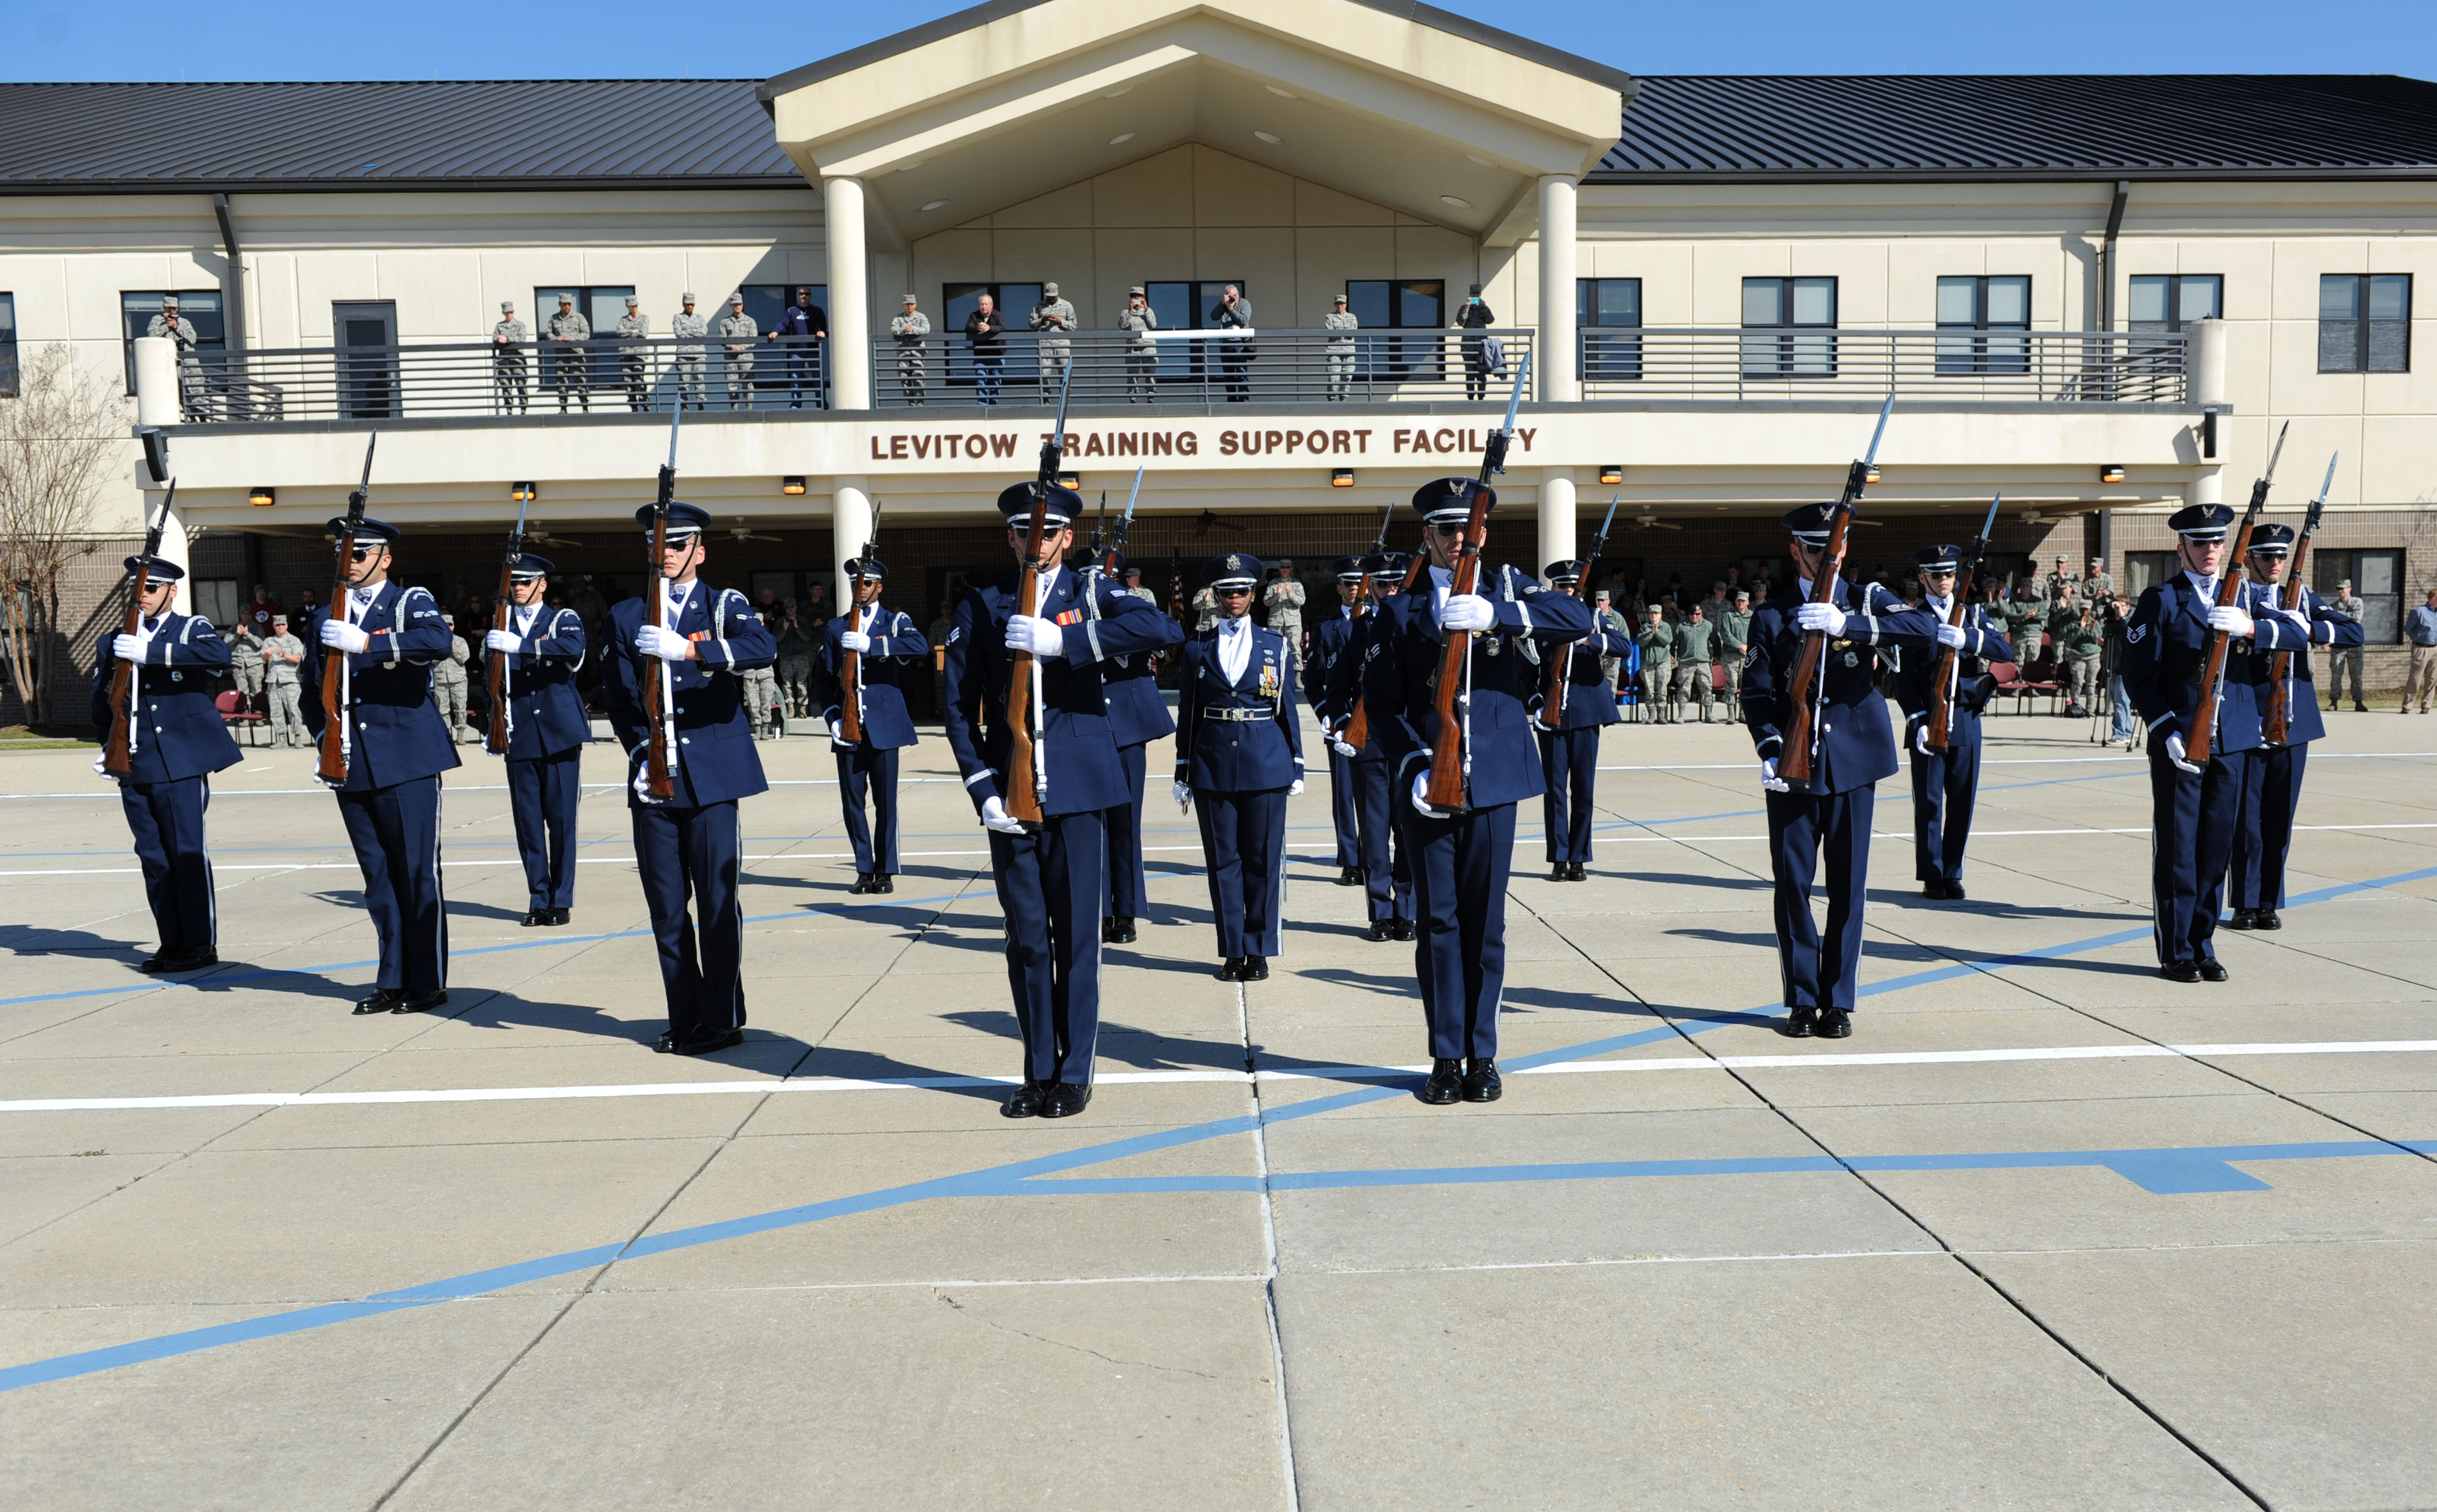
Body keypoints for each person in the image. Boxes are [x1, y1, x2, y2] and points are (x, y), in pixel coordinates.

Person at [940, 481, 1183, 1119]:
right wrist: (980, 787)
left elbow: (1161, 626)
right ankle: (1036, 1071)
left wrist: (1067, 643)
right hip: (1010, 796)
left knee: (1076, 941)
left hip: (1077, 793)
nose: (1035, 542)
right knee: (1026, 942)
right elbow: (958, 708)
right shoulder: (984, 605)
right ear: (1011, 537)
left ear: (1067, 538)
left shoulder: (1091, 593)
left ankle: (1073, 1074)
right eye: (1024, 532)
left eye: (1047, 533)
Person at [1364, 479, 1593, 1103]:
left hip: (1492, 781)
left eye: (1467, 530)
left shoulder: (1510, 588)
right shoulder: (1399, 609)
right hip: (1426, 786)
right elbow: (1382, 707)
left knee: (1484, 927)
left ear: (1483, 533)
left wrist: (1501, 614)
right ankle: (1444, 1054)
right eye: (1445, 530)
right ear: (1427, 537)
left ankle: (1483, 1053)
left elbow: (1577, 619)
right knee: (1437, 922)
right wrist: (1413, 763)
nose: (1457, 540)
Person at [1745, 503, 1935, 1037]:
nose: (1823, 555)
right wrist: (1769, 746)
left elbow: (1922, 629)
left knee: (1849, 887)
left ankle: (1838, 1000)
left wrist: (1847, 623)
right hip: (1793, 763)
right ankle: (1802, 999)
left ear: (1845, 548)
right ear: (1795, 550)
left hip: (1854, 761)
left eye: (1832, 546)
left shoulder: (1867, 599)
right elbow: (1756, 693)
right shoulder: (1770, 615)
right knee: (1792, 884)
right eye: (1812, 547)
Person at [605, 502, 777, 1055]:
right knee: (667, 907)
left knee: (718, 903)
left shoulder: (723, 603)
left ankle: (723, 1019)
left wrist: (691, 649)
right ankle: (684, 1017)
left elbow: (760, 648)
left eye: (677, 545)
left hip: (712, 778)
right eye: (658, 545)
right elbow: (619, 696)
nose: (666, 553)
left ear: (698, 552)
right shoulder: (627, 614)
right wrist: (640, 752)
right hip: (654, 777)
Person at [302, 517, 459, 1015]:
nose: (348, 561)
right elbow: (312, 685)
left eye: (359, 553)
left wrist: (369, 643)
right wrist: (325, 736)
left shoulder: (409, 601)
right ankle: (391, 977)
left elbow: (437, 641)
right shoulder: (326, 613)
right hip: (352, 761)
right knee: (378, 877)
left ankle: (427, 979)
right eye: (343, 553)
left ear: (384, 559)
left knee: (416, 873)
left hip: (407, 758)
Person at [2123, 503, 2261, 984]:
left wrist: (2249, 627)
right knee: (2179, 848)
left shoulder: (2243, 594)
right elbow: (2137, 676)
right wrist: (2165, 730)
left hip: (2232, 743)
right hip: (2181, 742)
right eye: (2200, 543)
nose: (2210, 551)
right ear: (2179, 547)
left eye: (2217, 542)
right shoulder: (2160, 599)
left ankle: (2203, 944)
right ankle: (2176, 948)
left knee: (2216, 850)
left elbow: (2292, 633)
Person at [88, 553, 242, 972]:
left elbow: (217, 657)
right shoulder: (114, 639)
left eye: (151, 588)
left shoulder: (191, 628)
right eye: (136, 588)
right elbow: (104, 700)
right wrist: (107, 746)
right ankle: (171, 941)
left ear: (171, 591)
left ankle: (199, 943)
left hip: (180, 761)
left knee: (185, 851)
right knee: (154, 855)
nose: (142, 596)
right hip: (135, 761)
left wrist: (150, 651)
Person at [2228, 524, 2365, 932]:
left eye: (2281, 557)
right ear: (2249, 559)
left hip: (2291, 721)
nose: (2275, 564)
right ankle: (2244, 903)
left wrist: (2306, 628)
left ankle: (2268, 901)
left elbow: (2353, 632)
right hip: (2247, 720)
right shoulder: (2235, 595)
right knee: (2245, 820)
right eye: (2266, 557)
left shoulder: (2302, 597)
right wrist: (2275, 624)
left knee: (2278, 819)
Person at [1175, 551, 1304, 980]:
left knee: (1262, 859)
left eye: (1242, 591)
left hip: (1265, 760)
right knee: (1222, 861)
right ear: (1215, 595)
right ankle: (1233, 949)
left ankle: (1260, 947)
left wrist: (1297, 764)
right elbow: (1189, 713)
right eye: (1226, 591)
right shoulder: (1197, 648)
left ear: (1253, 595)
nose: (1234, 598)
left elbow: (1285, 708)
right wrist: (1182, 769)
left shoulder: (1276, 644)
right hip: (1212, 761)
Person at [1889, 544, 2013, 901]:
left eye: (1948, 574)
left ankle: (1952, 871)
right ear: (1922, 578)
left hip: (1966, 720)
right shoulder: (1911, 618)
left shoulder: (1972, 615)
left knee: (1962, 802)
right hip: (1930, 721)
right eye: (1936, 574)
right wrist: (1917, 722)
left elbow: (2003, 652)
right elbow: (1902, 681)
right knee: (1929, 803)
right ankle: (1931, 874)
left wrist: (1969, 640)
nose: (1944, 581)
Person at [475, 554, 589, 928]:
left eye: (525, 583)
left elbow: (572, 649)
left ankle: (562, 900)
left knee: (561, 822)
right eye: (514, 583)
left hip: (558, 733)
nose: (518, 589)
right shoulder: (501, 624)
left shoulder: (561, 619)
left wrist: (521, 646)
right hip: (519, 734)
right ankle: (538, 899)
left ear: (542, 585)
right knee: (528, 824)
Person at [814, 556, 926, 895]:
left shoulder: (893, 622)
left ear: (879, 587)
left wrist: (874, 646)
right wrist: (832, 716)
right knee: (852, 802)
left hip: (884, 725)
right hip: (849, 726)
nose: (859, 589)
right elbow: (822, 678)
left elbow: (919, 646)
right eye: (854, 584)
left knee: (886, 801)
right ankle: (864, 869)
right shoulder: (837, 627)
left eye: (865, 583)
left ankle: (886, 870)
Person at [1327, 552, 1417, 941]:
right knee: (1375, 833)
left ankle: (1407, 910)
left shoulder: (1418, 624)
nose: (1390, 591)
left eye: (1397, 584)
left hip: (1410, 744)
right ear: (1372, 588)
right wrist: (1346, 725)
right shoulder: (1354, 630)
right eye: (1383, 585)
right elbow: (1335, 689)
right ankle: (1380, 912)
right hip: (1371, 744)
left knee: (1409, 832)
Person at [1088, 549, 1173, 944]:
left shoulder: (1135, 611)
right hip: (1083, 728)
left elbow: (1169, 633)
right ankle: (1096, 908)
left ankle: (1125, 912)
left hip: (1126, 730)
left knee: (1125, 825)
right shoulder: (1069, 612)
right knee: (1090, 827)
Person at [1534, 559, 1632, 881]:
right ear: (1552, 589)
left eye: (1573, 587)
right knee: (1555, 791)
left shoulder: (1593, 618)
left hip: (1587, 714)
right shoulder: (1542, 620)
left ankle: (1578, 858)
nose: (1567, 592)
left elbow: (1624, 647)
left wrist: (1590, 639)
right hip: (1553, 715)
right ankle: (1558, 859)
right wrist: (1536, 704)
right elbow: (1524, 669)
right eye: (1562, 586)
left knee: (1584, 790)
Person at [1307, 555, 1371, 885]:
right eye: (1349, 584)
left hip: (1376, 724)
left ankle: (1375, 856)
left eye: (1360, 583)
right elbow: (1313, 680)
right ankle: (1350, 859)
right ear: (1339, 588)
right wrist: (1326, 715)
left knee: (1377, 797)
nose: (1354, 589)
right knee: (1344, 794)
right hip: (1342, 725)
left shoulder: (1381, 621)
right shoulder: (1327, 629)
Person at [767, 286, 827, 410]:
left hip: (813, 350)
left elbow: (822, 324)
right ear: (798, 296)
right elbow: (783, 323)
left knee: (818, 379)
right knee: (796, 379)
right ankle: (796, 405)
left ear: (810, 296)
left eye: (806, 294)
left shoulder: (817, 311)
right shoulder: (792, 311)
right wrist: (775, 331)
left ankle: (821, 404)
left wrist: (822, 332)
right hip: (797, 352)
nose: (804, 296)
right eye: (801, 294)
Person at [146, 294, 205, 418]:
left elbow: (193, 339)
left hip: (189, 358)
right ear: (164, 308)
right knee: (180, 389)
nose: (171, 311)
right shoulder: (157, 320)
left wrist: (177, 328)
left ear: (177, 308)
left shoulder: (184, 322)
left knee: (197, 385)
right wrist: (166, 326)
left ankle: (202, 413)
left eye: (174, 308)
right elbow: (152, 335)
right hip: (171, 360)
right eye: (169, 308)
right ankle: (191, 416)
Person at [261, 612, 306, 747]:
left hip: (291, 679)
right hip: (274, 680)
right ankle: (281, 739)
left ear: (287, 626)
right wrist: (266, 655)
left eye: (283, 625)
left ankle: (298, 737)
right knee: (276, 710)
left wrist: (282, 654)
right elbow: (262, 659)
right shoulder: (269, 641)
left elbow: (298, 659)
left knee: (294, 709)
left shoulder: (294, 640)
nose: (280, 627)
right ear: (274, 626)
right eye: (277, 625)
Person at [2057, 599, 2103, 718]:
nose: (2084, 612)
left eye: (2087, 610)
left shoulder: (2095, 624)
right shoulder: (2073, 624)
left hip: (2093, 656)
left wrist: (2090, 629)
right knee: (2077, 682)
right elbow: (2070, 640)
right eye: (2082, 609)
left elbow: (2097, 639)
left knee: (2091, 683)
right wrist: (2080, 628)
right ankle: (2075, 707)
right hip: (2078, 656)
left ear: (2091, 610)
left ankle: (2089, 709)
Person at [2324, 581, 2367, 710]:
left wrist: (2338, 615)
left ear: (2350, 589)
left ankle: (2358, 701)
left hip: (2354, 643)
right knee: (2336, 673)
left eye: (2343, 589)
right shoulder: (2334, 605)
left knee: (2356, 674)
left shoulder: (2357, 602)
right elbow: (2330, 622)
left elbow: (2357, 617)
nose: (2341, 592)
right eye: (2339, 589)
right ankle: (2334, 701)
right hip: (2339, 644)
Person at [1673, 601, 1718, 721]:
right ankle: (1681, 714)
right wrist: (1672, 655)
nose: (1695, 617)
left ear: (1702, 614)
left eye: (1698, 614)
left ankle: (1709, 714)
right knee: (1683, 689)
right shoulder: (1681, 626)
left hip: (1703, 662)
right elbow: (1673, 642)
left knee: (1707, 688)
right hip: (1686, 662)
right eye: (1692, 614)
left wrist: (1717, 655)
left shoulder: (1708, 626)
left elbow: (1716, 641)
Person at [2103, 594, 2138, 745]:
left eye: (2122, 606)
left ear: (2128, 607)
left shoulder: (2131, 621)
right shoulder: (2114, 623)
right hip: (2112, 666)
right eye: (2117, 605)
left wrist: (2122, 616)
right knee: (2116, 701)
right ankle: (2128, 731)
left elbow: (2128, 632)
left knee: (2121, 702)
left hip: (2125, 668)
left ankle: (2120, 734)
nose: (2119, 609)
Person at [431, 612, 472, 742]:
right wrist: (444, 648)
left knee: (460, 708)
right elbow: (432, 659)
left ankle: (460, 734)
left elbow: (464, 658)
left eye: (451, 624)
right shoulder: (435, 641)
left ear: (454, 626)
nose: (448, 627)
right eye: (445, 625)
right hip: (441, 679)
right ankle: (446, 736)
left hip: (458, 680)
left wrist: (453, 648)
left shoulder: (460, 641)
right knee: (443, 710)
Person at [546, 293, 590, 412]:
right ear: (560, 304)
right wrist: (557, 339)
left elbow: (586, 334)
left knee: (581, 381)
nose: (567, 307)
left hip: (576, 355)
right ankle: (563, 408)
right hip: (561, 356)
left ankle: (585, 408)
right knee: (562, 383)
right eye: (564, 304)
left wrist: (573, 338)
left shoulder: (579, 317)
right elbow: (548, 333)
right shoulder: (553, 318)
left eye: (569, 304)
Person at [1030, 281, 1075, 391]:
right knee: (1044, 373)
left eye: (1054, 296)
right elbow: (1031, 324)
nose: (1052, 298)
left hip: (1061, 342)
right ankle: (1045, 400)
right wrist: (1042, 320)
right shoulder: (1039, 307)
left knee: (1064, 371)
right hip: (1045, 343)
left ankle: (1064, 399)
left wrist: (1060, 322)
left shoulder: (1066, 305)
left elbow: (1073, 325)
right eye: (1050, 297)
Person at [1211, 284, 1252, 402]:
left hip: (1240, 344)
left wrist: (1231, 309)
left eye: (1236, 295)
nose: (1234, 298)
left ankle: (1244, 400)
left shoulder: (1244, 304)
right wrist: (1222, 304)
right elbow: (1213, 316)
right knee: (1228, 375)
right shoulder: (1224, 305)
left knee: (1241, 374)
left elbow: (1243, 321)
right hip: (1225, 345)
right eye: (1231, 296)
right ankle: (1232, 400)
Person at [1634, 604, 1675, 723]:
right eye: (1652, 614)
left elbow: (1667, 640)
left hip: (1663, 662)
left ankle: (1661, 714)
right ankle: (1651, 714)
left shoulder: (1666, 627)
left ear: (1661, 615)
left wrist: (1657, 632)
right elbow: (1641, 642)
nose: (1654, 616)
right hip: (1648, 663)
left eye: (1656, 614)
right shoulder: (1645, 627)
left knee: (1662, 688)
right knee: (1649, 689)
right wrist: (1651, 632)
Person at [965, 293, 1007, 407]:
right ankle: (982, 405)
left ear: (991, 305)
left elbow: (1003, 328)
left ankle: (994, 405)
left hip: (997, 354)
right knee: (981, 379)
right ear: (979, 305)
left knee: (996, 381)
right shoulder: (974, 315)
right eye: (982, 304)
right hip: (980, 354)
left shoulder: (997, 315)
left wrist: (990, 328)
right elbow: (968, 328)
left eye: (986, 304)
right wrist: (977, 328)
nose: (984, 307)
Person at [1456, 284, 1496, 402]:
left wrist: (1484, 307)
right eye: (1473, 294)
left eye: (1477, 294)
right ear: (1470, 294)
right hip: (1468, 345)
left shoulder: (1483, 308)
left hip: (1482, 345)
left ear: (1480, 294)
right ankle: (1470, 397)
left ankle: (1481, 397)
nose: (1475, 296)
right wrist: (1467, 308)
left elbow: (1490, 320)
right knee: (1470, 373)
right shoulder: (1464, 307)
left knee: (1482, 372)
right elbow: (1460, 322)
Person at [1118, 285, 1158, 403]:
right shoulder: (1126, 312)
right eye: (1134, 296)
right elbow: (1122, 325)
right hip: (1133, 346)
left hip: (1148, 346)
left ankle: (1151, 394)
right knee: (1132, 372)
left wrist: (1146, 309)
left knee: (1150, 371)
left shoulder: (1149, 311)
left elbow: (1153, 325)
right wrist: (1130, 311)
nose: (1137, 299)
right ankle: (1132, 395)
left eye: (1139, 297)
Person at [775, 601, 815, 717]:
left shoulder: (803, 621)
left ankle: (803, 708)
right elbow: (777, 639)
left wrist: (797, 627)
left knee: (801, 683)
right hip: (786, 658)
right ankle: (790, 708)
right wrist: (784, 629)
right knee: (787, 684)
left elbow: (807, 637)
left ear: (796, 607)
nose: (790, 609)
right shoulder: (780, 622)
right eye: (787, 607)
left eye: (792, 607)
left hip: (801, 656)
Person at [489, 300, 530, 413]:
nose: (509, 315)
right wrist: (499, 339)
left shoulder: (520, 325)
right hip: (504, 360)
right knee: (505, 386)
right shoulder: (500, 325)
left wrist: (507, 339)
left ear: (514, 312)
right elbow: (494, 338)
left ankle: (523, 410)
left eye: (511, 312)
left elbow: (522, 338)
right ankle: (509, 410)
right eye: (507, 313)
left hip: (517, 359)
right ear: (503, 313)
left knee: (521, 385)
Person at [719, 294, 758, 410]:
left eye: (739, 304)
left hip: (746, 358)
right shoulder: (725, 322)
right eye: (735, 304)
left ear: (743, 305)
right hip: (731, 359)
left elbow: (753, 338)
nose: (738, 306)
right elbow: (722, 338)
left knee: (748, 385)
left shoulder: (750, 321)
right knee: (732, 385)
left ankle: (749, 410)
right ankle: (735, 411)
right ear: (731, 305)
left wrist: (741, 347)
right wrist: (731, 346)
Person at [670, 293, 708, 410]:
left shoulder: (700, 317)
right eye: (687, 304)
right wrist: (695, 331)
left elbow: (704, 332)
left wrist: (688, 330)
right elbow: (679, 333)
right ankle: (683, 406)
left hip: (699, 354)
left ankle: (701, 405)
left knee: (700, 380)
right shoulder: (678, 317)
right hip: (684, 354)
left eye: (691, 304)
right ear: (684, 304)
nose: (689, 307)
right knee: (684, 382)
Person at [891, 295, 930, 405]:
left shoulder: (921, 317)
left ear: (916, 305)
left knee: (918, 378)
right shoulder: (898, 318)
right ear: (904, 305)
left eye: (912, 304)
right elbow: (894, 329)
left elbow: (926, 329)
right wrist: (904, 330)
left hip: (917, 352)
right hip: (903, 353)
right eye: (908, 304)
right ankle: (911, 404)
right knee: (904, 379)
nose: (910, 306)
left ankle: (920, 405)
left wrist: (913, 329)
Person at [1719, 589, 1752, 717]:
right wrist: (1739, 645)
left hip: (1746, 657)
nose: (1741, 603)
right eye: (1739, 601)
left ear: (1748, 602)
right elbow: (1725, 634)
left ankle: (1744, 712)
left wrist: (1749, 646)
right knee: (1731, 684)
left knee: (1746, 685)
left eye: (1743, 601)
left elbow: (1757, 633)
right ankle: (1731, 713)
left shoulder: (1752, 616)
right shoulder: (1729, 616)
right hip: (1731, 656)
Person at [615, 295, 650, 411]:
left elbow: (643, 333)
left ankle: (645, 403)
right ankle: (633, 405)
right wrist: (634, 331)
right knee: (628, 380)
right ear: (628, 306)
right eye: (632, 306)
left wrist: (628, 332)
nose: (634, 308)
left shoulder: (644, 318)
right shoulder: (623, 319)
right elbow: (620, 332)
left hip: (639, 353)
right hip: (625, 353)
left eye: (636, 306)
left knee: (638, 377)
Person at [1262, 559, 1306, 652]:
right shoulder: (1273, 584)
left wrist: (1290, 594)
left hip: (1293, 623)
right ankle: (1277, 667)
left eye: (1288, 567)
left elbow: (1301, 601)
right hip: (1276, 622)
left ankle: (1296, 667)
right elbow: (1266, 602)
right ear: (1279, 569)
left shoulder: (1296, 584)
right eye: (1283, 567)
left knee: (1294, 649)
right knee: (1274, 648)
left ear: (1291, 569)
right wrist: (1276, 595)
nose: (1285, 569)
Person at [2407, 587, 2437, 714]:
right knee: (2415, 677)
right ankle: (2408, 705)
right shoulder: (2419, 612)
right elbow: (2408, 629)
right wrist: (2418, 638)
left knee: (2432, 679)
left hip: (2435, 648)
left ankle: (2426, 706)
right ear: (2433, 598)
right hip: (2421, 648)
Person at [1323, 292, 1358, 401]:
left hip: (1349, 351)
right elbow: (1330, 333)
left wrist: (1338, 332)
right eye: (1338, 304)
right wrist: (1347, 331)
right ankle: (1332, 399)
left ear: (1346, 305)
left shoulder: (1352, 317)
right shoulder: (1330, 317)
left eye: (1342, 304)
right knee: (1334, 376)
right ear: (1335, 305)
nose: (1340, 306)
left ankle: (1344, 398)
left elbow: (1353, 333)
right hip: (1334, 351)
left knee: (1347, 376)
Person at [228, 615, 265, 714]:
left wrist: (247, 634)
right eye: (243, 613)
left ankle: (258, 713)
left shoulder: (257, 628)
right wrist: (237, 634)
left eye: (247, 613)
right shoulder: (234, 628)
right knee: (242, 692)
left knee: (256, 690)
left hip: (255, 664)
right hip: (239, 664)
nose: (245, 616)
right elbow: (226, 642)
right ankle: (245, 714)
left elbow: (260, 643)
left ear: (251, 615)